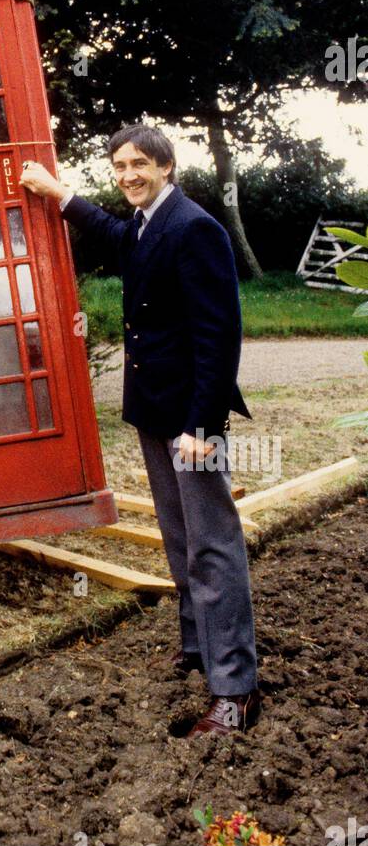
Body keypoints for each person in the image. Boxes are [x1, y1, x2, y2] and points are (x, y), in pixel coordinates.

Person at [20, 125, 261, 737]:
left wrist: (203, 426)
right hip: (155, 412)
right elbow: (112, 234)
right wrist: (57, 193)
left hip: (190, 420)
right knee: (179, 538)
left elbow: (219, 335)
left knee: (212, 545)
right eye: (120, 165)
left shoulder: (194, 227)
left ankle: (235, 689)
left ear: (166, 166)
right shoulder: (150, 223)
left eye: (140, 165)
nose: (128, 174)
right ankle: (197, 645)